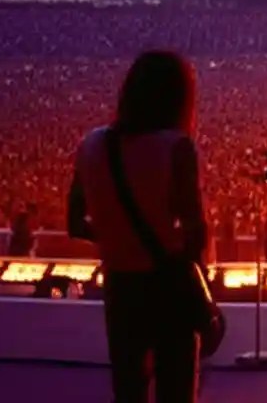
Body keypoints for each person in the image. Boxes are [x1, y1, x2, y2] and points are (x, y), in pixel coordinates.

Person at [68, 50, 209, 403]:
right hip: (168, 284)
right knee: (176, 391)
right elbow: (196, 229)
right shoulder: (177, 147)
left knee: (128, 389)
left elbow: (75, 222)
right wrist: (197, 281)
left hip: (119, 284)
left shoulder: (92, 143)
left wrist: (118, 236)